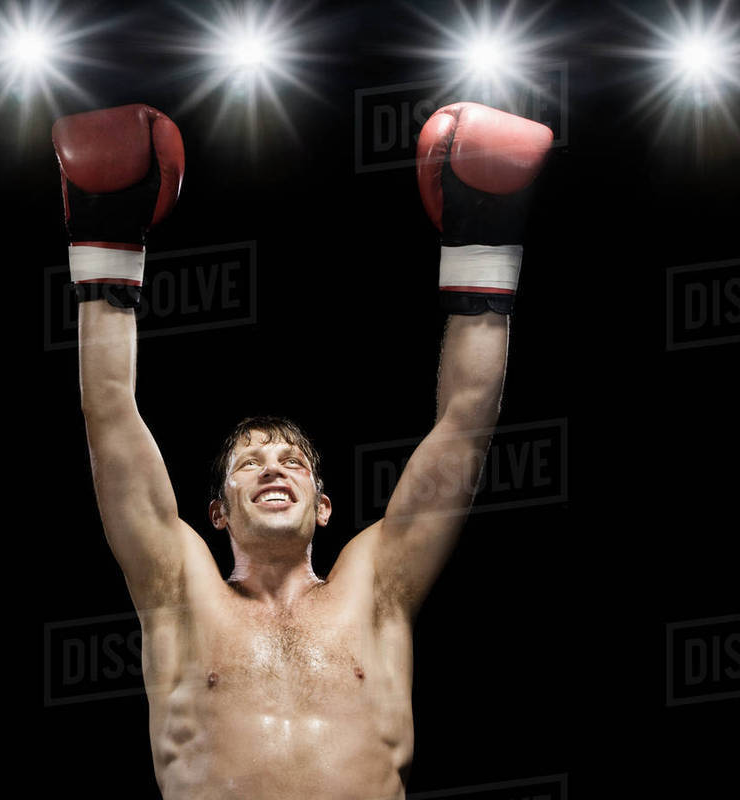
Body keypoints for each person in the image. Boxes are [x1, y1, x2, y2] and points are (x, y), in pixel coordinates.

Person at [53, 101, 552, 799]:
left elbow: (465, 422)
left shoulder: (377, 584)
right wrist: (104, 244)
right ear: (217, 513)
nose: (271, 467)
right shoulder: (178, 586)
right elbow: (108, 413)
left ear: (323, 507)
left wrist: (486, 246)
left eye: (291, 460)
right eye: (249, 463)